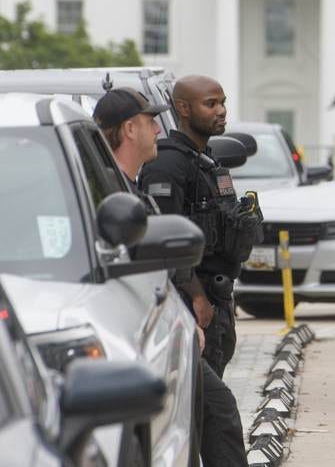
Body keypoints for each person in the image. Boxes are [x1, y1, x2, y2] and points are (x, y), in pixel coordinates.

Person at [92, 87, 249, 467]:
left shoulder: (125, 188)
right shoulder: (109, 193)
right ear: (130, 129)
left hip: (158, 322)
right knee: (215, 411)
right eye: (150, 122)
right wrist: (189, 304)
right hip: (129, 331)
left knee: (191, 421)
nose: (158, 130)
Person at [140, 75, 262, 378]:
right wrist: (197, 297)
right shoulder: (167, 165)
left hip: (217, 295)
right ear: (183, 108)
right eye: (210, 104)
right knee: (205, 397)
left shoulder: (206, 161)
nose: (221, 111)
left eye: (222, 103)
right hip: (192, 300)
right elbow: (166, 242)